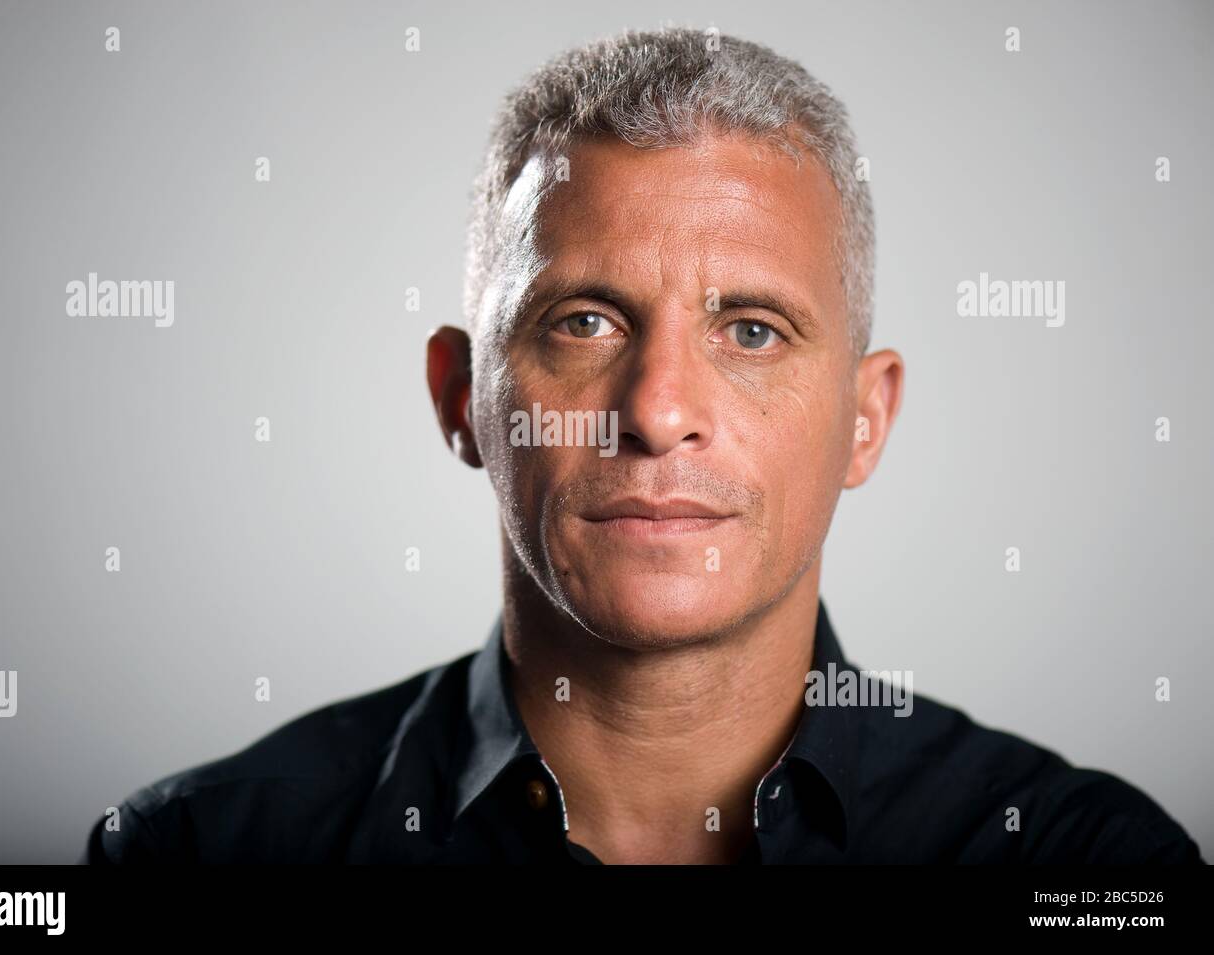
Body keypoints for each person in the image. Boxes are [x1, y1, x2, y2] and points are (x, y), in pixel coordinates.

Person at [82, 26, 1203, 865]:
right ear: (461, 397)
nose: (659, 411)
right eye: (584, 322)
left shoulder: (1081, 863)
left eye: (751, 330)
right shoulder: (195, 854)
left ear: (866, 420)